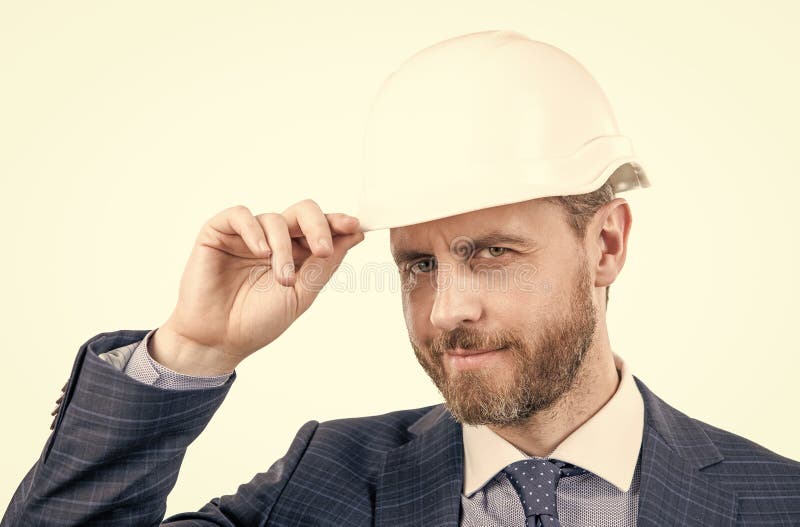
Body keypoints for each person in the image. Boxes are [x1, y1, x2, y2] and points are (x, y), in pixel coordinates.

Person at [3, 30, 799, 527]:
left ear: (606, 245)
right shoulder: (325, 480)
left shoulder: (779, 501)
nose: (447, 309)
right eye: (419, 263)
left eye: (492, 251)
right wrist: (191, 349)